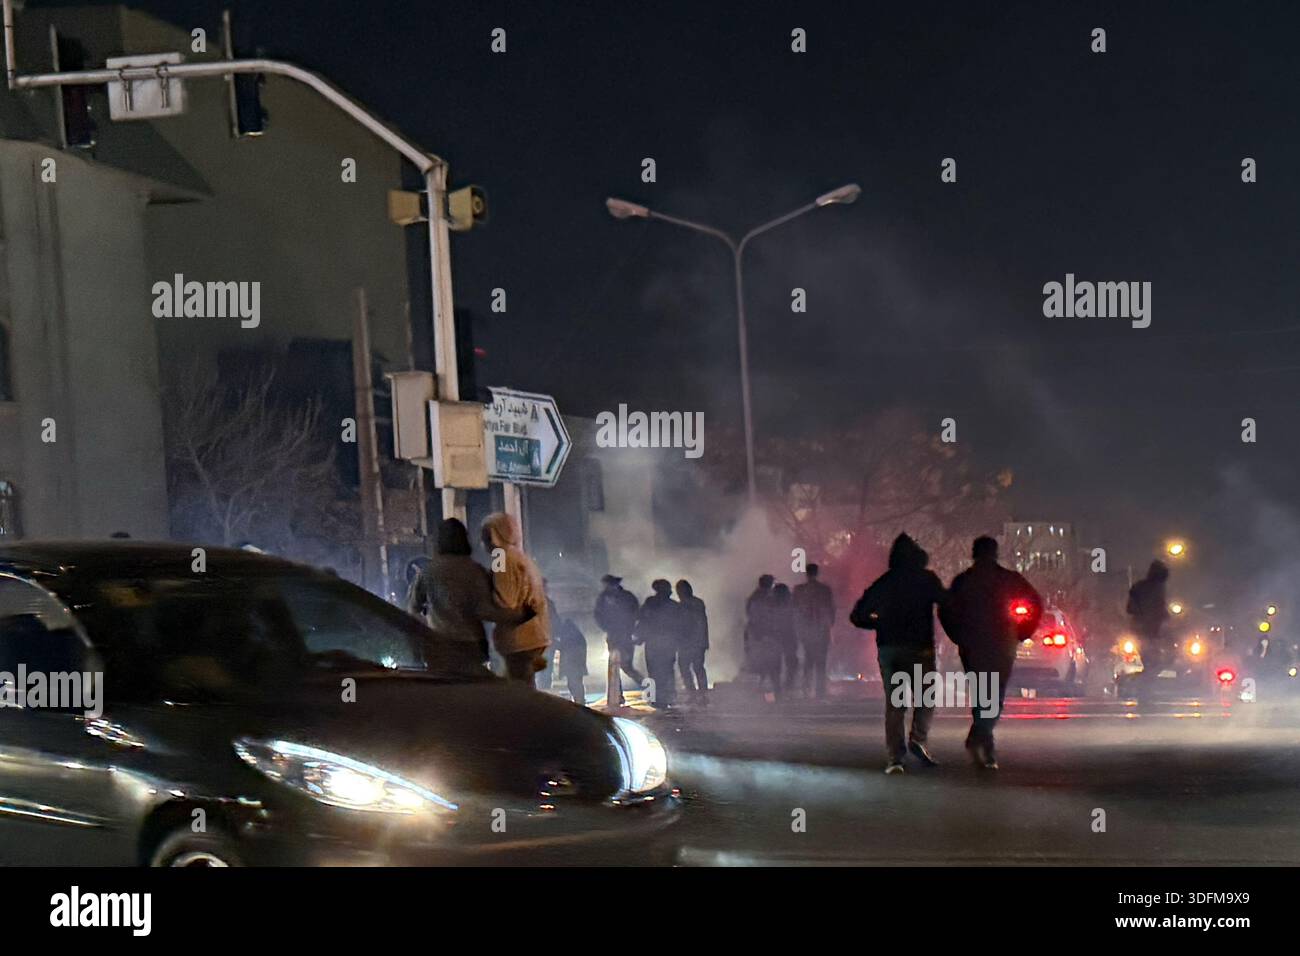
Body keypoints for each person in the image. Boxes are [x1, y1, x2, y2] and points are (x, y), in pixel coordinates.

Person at [939, 536, 1042, 769]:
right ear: (995, 553)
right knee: (995, 695)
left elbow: (945, 609)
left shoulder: (963, 581)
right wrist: (1022, 631)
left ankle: (981, 738)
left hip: (972, 644)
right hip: (1001, 644)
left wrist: (958, 634)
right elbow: (1035, 603)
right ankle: (983, 739)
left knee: (980, 693)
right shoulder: (1009, 580)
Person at [850, 535, 946, 774]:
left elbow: (858, 615)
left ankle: (895, 757)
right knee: (925, 696)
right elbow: (948, 602)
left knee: (896, 703)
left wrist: (880, 623)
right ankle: (918, 738)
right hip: (920, 647)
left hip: (890, 648)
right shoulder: (927, 579)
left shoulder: (884, 582)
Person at [407, 518, 530, 669]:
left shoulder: (427, 572)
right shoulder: (475, 571)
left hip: (439, 645)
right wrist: (517, 615)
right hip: (471, 645)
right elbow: (486, 610)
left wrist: (427, 631)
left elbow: (413, 609)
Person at [481, 512, 551, 686]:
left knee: (519, 691)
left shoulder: (500, 556)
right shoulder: (521, 556)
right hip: (534, 633)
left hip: (518, 639)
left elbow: (505, 599)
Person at [1126, 560, 1171, 700]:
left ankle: (1144, 687)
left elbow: (1130, 608)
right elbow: (1160, 610)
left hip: (1144, 631)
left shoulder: (1139, 587)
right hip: (1149, 632)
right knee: (1155, 662)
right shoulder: (1157, 589)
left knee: (1152, 661)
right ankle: (1143, 687)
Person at [634, 579, 682, 708]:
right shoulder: (674, 606)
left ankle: (657, 699)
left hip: (653, 643)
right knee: (667, 670)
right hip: (668, 643)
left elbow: (642, 619)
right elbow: (680, 625)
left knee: (654, 671)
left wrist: (639, 637)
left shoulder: (651, 603)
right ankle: (669, 697)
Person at [793, 564, 836, 700]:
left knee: (808, 661)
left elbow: (795, 611)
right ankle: (820, 692)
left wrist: (798, 628)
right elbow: (831, 610)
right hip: (821, 630)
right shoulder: (825, 590)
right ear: (817, 573)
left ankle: (806, 690)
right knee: (821, 663)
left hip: (807, 631)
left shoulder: (799, 590)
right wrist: (829, 625)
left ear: (806, 573)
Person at [595, 574, 644, 689]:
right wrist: (607, 627)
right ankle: (617, 694)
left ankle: (645, 684)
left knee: (626, 665)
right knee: (614, 665)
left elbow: (636, 613)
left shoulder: (627, 596)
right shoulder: (603, 597)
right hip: (614, 635)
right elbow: (598, 615)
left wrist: (630, 627)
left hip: (625, 635)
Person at [548, 596, 589, 704]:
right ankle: (579, 702)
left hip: (573, 660)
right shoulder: (570, 629)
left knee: (574, 682)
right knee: (574, 682)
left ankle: (580, 702)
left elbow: (564, 644)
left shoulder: (566, 631)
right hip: (575, 660)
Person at [675, 579, 709, 704]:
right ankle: (700, 694)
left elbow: (695, 624)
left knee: (688, 668)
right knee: (696, 668)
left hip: (689, 643)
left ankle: (695, 693)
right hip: (694, 642)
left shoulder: (684, 606)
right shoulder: (697, 603)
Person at [770, 583, 800, 695]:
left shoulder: (771, 605)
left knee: (776, 663)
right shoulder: (791, 604)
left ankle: (778, 687)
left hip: (777, 635)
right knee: (791, 662)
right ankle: (788, 685)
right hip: (789, 635)